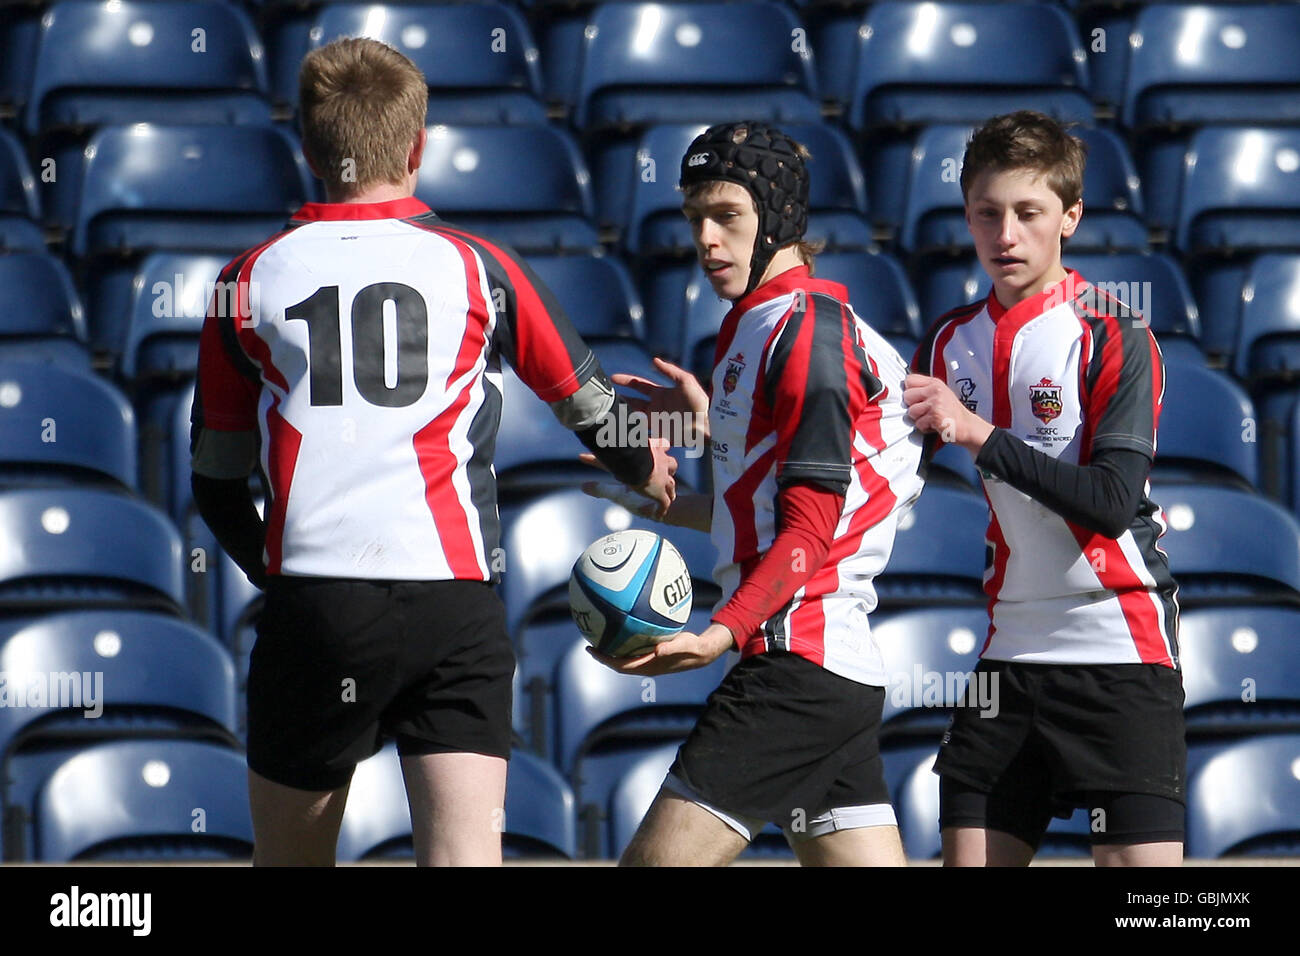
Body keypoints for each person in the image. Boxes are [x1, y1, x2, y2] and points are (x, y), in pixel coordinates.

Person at [189, 37, 674, 866]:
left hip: (318, 606)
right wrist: (646, 469)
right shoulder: (477, 265)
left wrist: (275, 574)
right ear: (417, 148)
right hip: (454, 600)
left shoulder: (245, 278)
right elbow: (592, 408)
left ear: (307, 149)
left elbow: (216, 481)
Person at [584, 121, 924, 866]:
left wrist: (718, 634)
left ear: (778, 218)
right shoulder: (761, 326)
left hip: (791, 665)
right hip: (828, 669)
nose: (705, 239)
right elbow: (772, 516)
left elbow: (808, 535)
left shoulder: (807, 338)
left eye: (727, 216)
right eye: (694, 217)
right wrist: (671, 494)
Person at [904, 110, 1184, 866]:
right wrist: (715, 439)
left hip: (1119, 648)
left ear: (1070, 217)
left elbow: (1110, 502)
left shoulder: (1114, 332)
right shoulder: (946, 339)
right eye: (987, 213)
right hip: (1010, 651)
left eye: (1028, 213)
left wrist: (980, 435)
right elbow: (877, 475)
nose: (1006, 234)